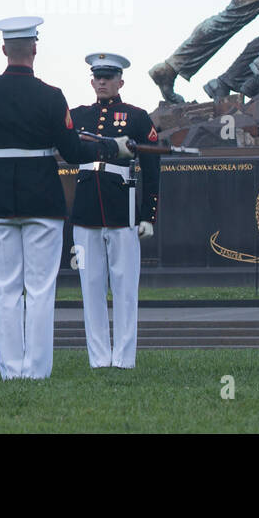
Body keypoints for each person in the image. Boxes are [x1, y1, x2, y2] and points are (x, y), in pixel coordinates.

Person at [0, 17, 133, 380]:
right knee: (39, 289)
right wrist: (110, 148)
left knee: (5, 290)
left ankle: (10, 370)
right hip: (43, 201)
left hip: (0, 202)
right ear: (34, 49)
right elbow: (71, 152)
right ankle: (36, 371)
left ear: (5, 49)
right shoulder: (52, 96)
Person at [69, 52, 161, 369]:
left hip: (123, 208)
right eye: (98, 77)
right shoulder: (76, 116)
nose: (103, 82)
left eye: (109, 77)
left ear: (121, 81)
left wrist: (148, 215)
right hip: (86, 208)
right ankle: (98, 358)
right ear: (92, 81)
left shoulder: (136, 117)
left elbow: (152, 167)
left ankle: (123, 358)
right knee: (91, 288)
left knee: (124, 289)